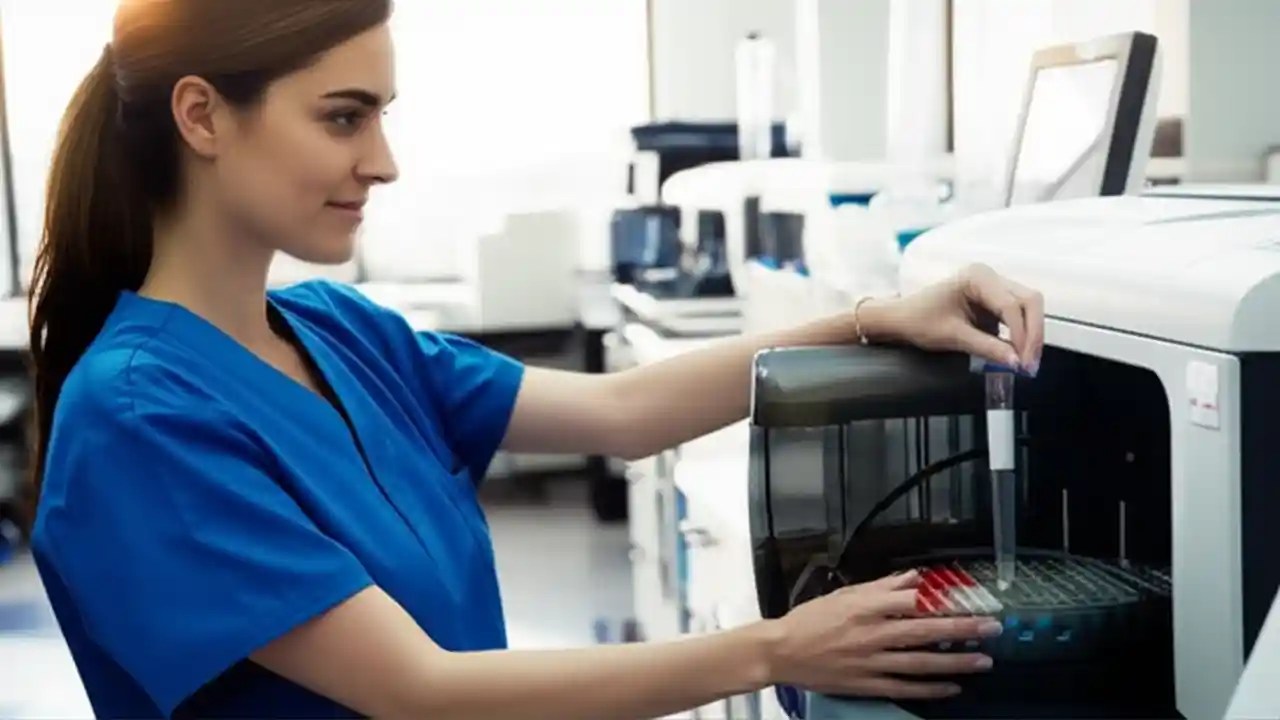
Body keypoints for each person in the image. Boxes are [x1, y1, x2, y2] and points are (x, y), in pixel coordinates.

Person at [26, 2, 1044, 719]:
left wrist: (874, 321)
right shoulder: (137, 418)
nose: (382, 160)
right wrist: (773, 649)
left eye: (382, 115)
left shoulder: (335, 331)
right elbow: (414, 693)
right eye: (343, 116)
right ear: (201, 115)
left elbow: (621, 411)